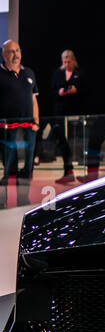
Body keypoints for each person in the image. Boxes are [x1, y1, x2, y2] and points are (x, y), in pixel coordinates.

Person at [0, 40, 39, 207]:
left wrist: (36, 122)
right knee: (7, 168)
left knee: (27, 167)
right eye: (11, 51)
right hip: (6, 130)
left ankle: (23, 201)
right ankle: (2, 202)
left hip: (29, 129)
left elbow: (34, 99)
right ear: (3, 54)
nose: (15, 55)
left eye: (17, 51)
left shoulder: (29, 73)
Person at [41, 49, 81, 183]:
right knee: (62, 141)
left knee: (74, 142)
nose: (66, 64)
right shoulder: (57, 73)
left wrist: (72, 90)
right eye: (64, 62)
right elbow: (52, 91)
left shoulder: (78, 73)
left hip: (74, 114)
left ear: (73, 61)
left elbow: (82, 90)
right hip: (60, 113)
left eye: (69, 61)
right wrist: (61, 92)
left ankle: (76, 170)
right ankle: (68, 171)